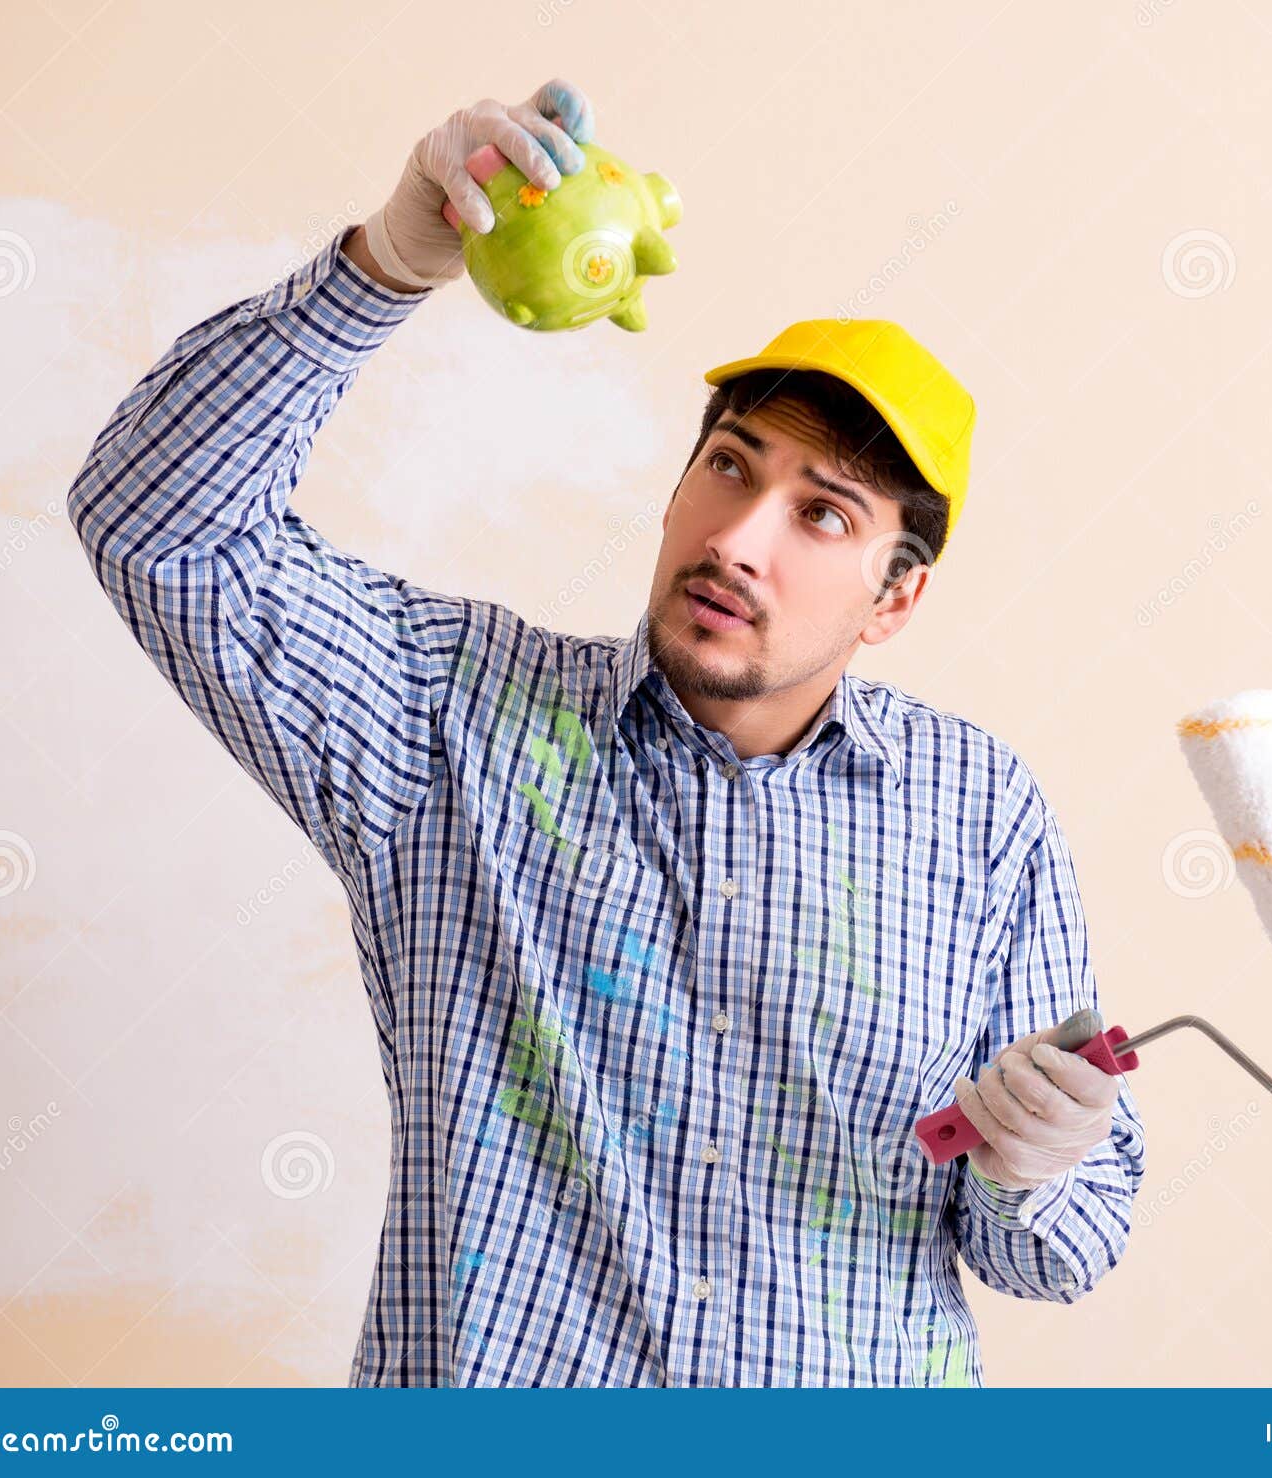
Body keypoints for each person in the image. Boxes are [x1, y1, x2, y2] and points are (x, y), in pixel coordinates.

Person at [66, 78, 1146, 1388]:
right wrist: (387, 264)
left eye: (823, 515)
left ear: (897, 594)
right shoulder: (450, 716)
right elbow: (153, 520)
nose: (739, 540)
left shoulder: (983, 813)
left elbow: (1065, 1247)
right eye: (733, 466)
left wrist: (1038, 1165)